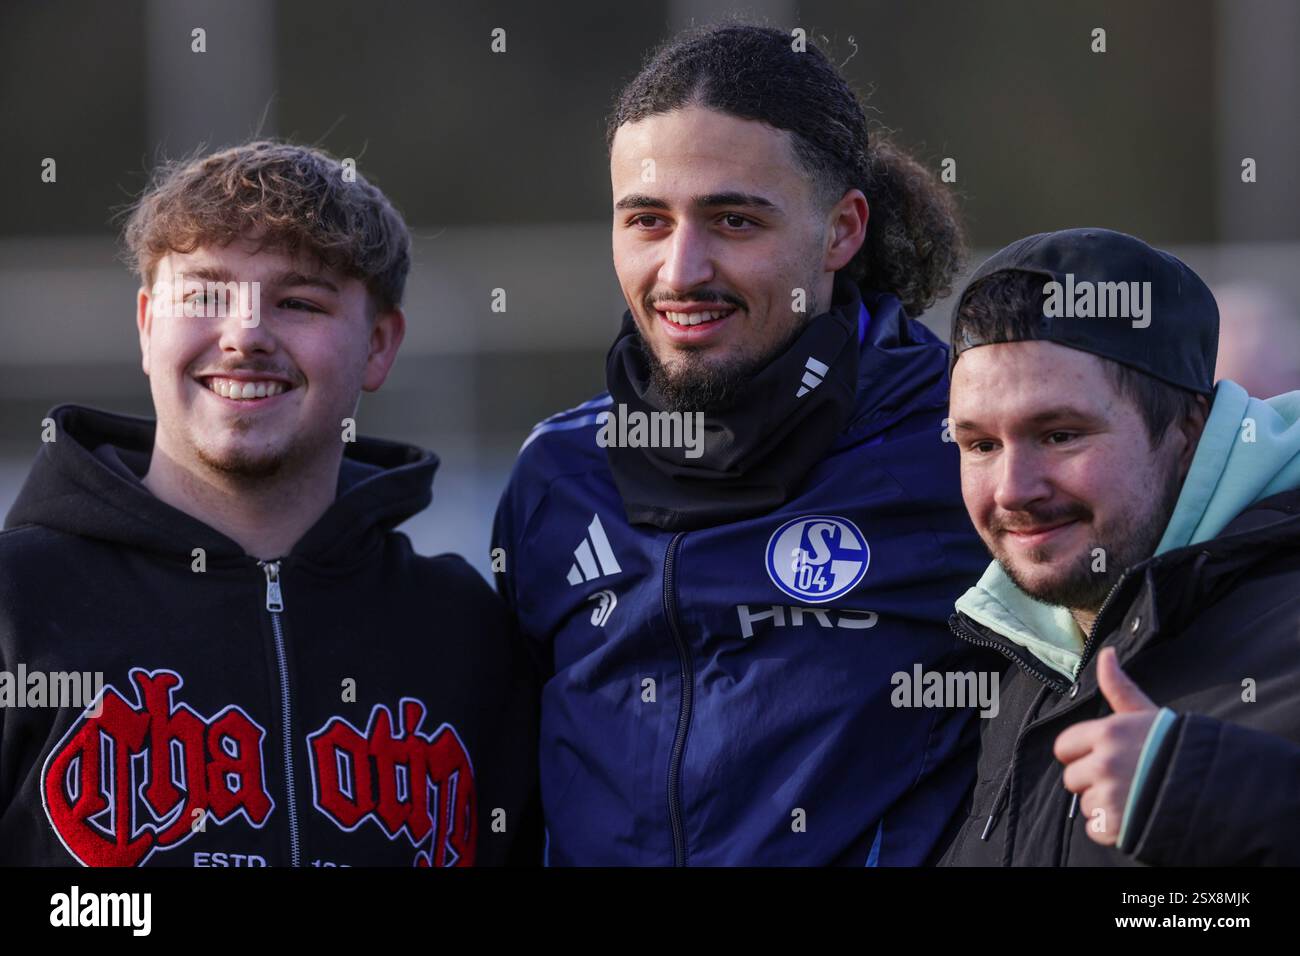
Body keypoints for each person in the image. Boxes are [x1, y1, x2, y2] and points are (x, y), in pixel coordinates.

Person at [492, 23, 991, 865]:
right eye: (647, 221)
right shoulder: (558, 474)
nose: (682, 271)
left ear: (841, 232)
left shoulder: (966, 448)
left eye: (733, 220)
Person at [0, 141, 540, 867]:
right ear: (146, 325)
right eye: (204, 295)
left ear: (378, 346)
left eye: (298, 302)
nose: (246, 334)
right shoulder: (19, 604)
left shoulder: (464, 630)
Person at [940, 227, 1300, 866]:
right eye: (981, 445)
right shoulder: (1019, 654)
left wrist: (1234, 800)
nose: (1013, 491)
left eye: (1059, 435)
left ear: (1189, 428)